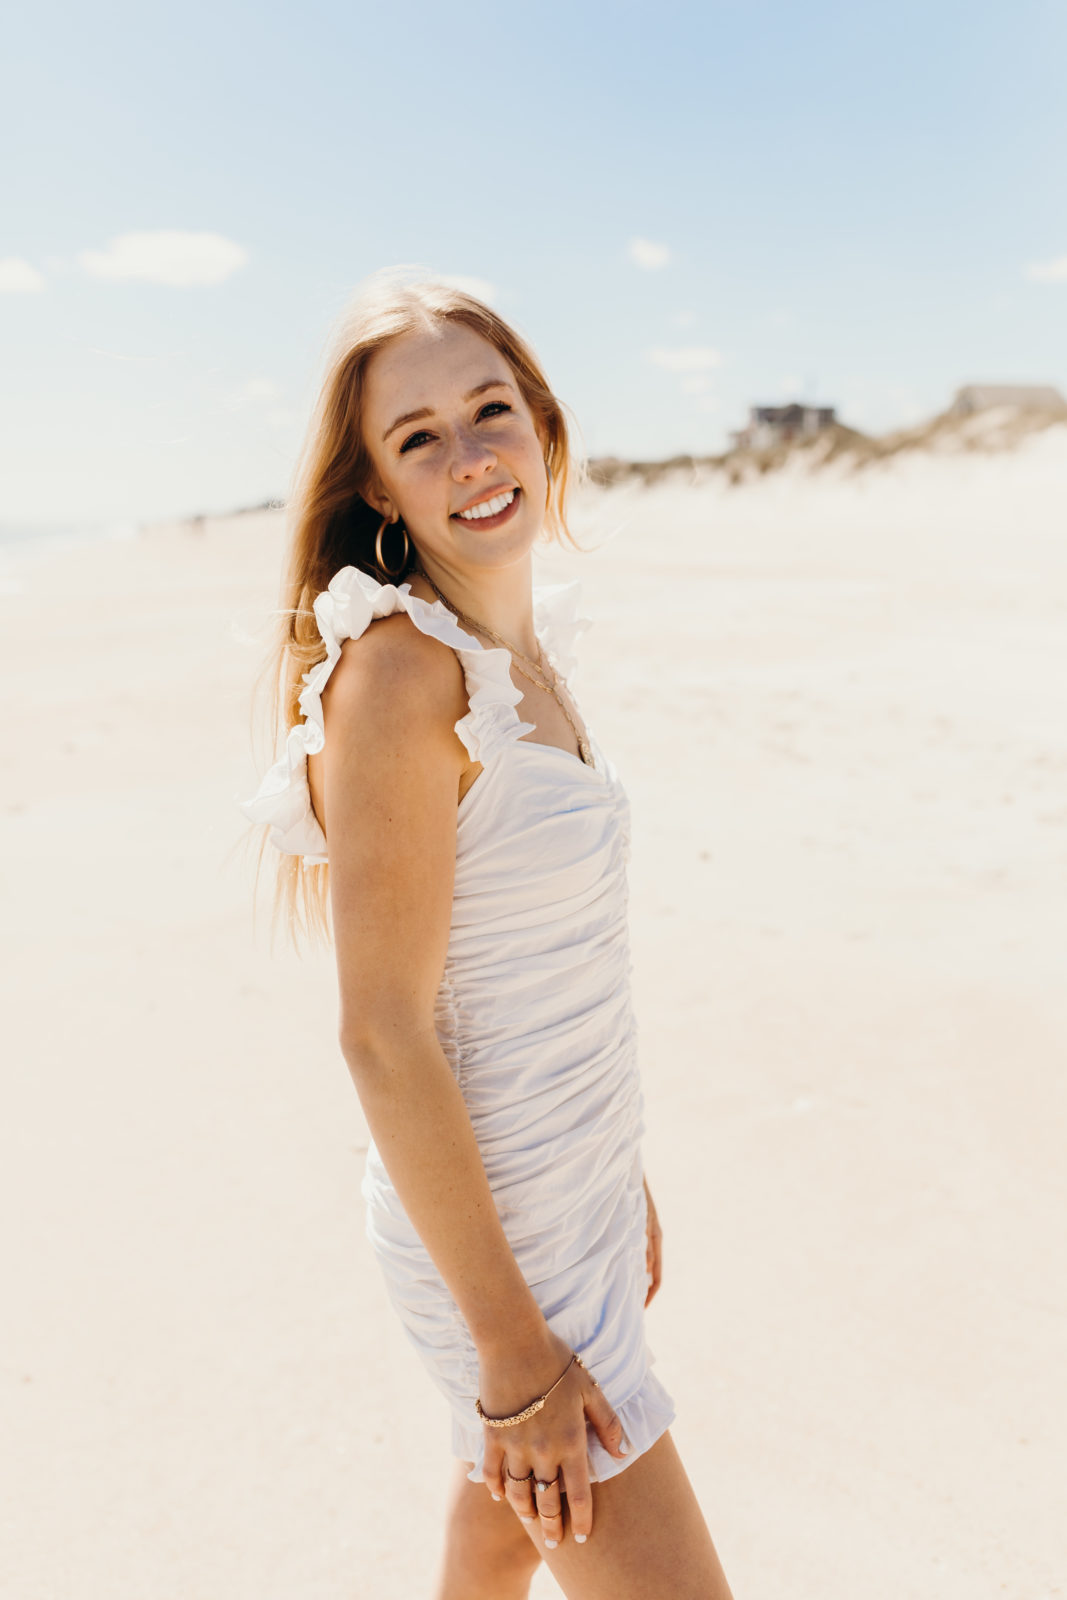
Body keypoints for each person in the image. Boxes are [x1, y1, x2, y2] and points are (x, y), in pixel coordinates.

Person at [238, 271, 735, 1599]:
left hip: (569, 1190)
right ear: (377, 489)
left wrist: (616, 1170)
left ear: (543, 420)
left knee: (503, 1524)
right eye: (419, 438)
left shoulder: (518, 654)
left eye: (489, 409)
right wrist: (513, 1357)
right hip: (501, 1252)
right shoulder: (403, 679)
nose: (470, 456)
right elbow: (381, 1035)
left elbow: (540, 968)